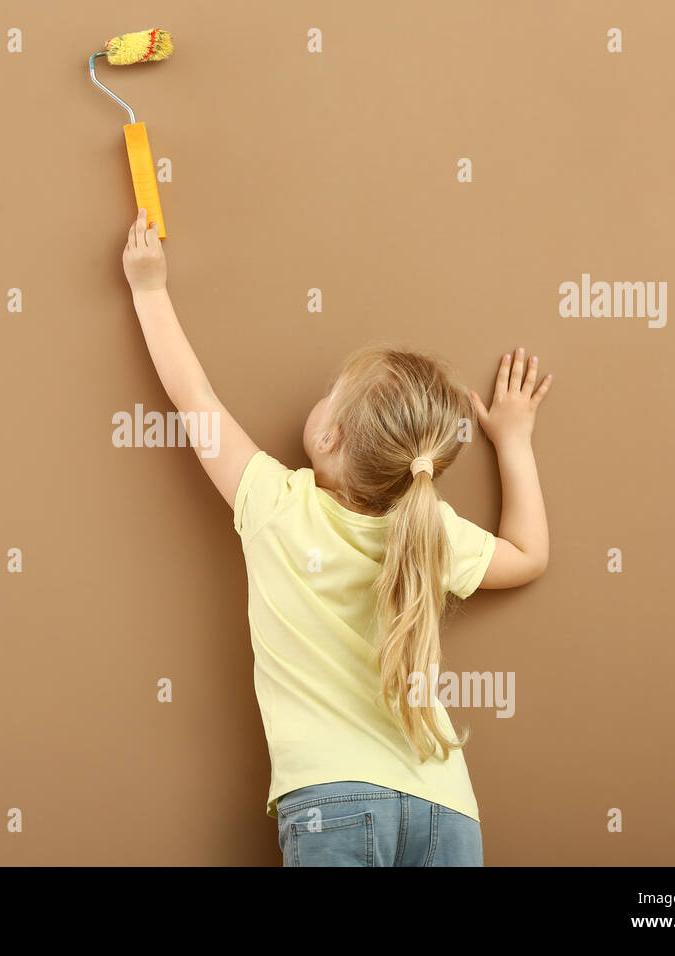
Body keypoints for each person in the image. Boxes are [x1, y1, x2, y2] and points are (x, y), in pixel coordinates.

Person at [121, 209, 552, 866]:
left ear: (327, 439)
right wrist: (515, 440)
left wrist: (149, 289)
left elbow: (194, 398)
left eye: (330, 393)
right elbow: (528, 556)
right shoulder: (429, 529)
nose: (319, 398)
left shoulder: (276, 504)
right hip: (447, 806)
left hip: (335, 806)